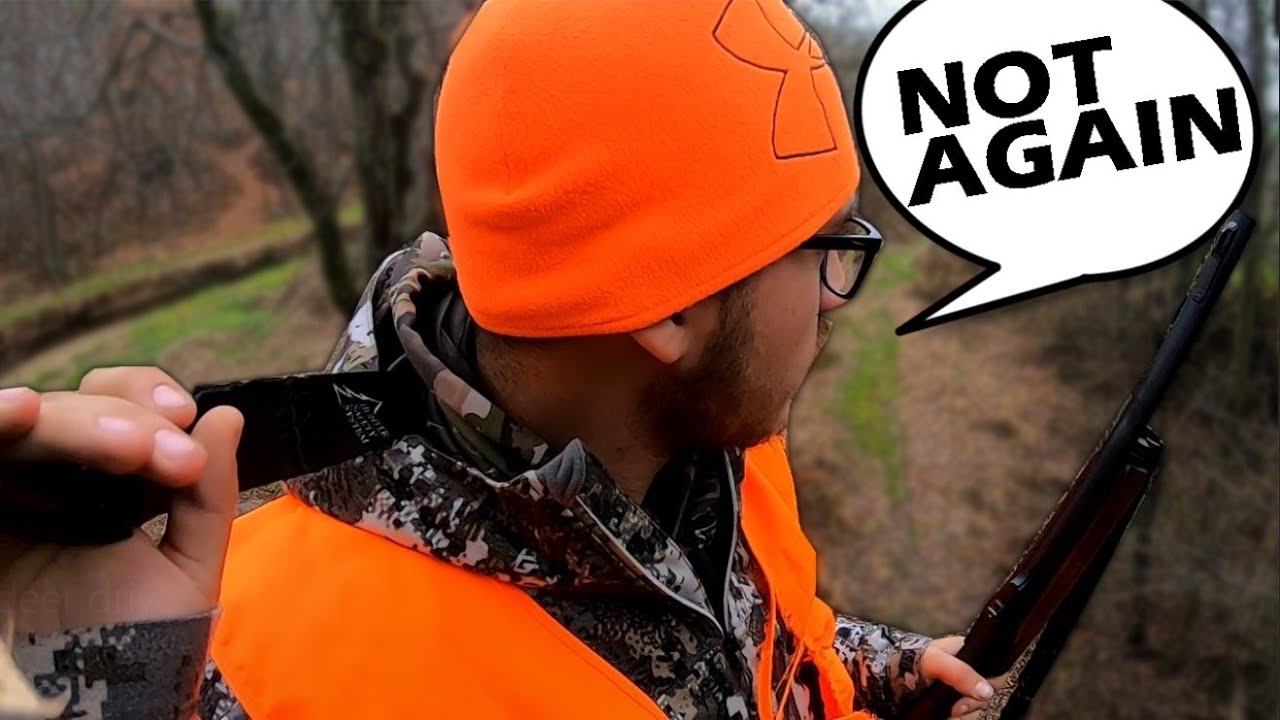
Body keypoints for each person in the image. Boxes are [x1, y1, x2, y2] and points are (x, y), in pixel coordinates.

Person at [0, 1, 1005, 718]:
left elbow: (773, 651)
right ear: (672, 311)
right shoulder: (235, 669)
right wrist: (88, 694)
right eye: (824, 250)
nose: (835, 303)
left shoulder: (717, 457)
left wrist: (883, 675)